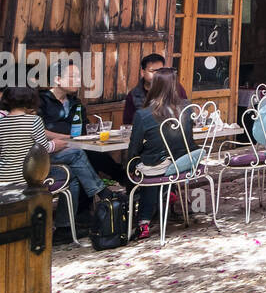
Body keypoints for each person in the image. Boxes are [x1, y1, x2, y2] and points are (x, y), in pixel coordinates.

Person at [125, 68, 197, 227]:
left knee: (144, 166)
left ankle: (143, 220)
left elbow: (134, 146)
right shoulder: (186, 107)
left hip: (160, 166)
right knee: (155, 163)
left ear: (154, 86)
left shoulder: (143, 114)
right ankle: (168, 193)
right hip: (185, 164)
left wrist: (129, 165)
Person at [40, 59, 128, 187]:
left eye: (78, 76)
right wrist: (69, 138)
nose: (78, 80)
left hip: (75, 145)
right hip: (52, 149)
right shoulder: (41, 100)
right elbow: (37, 130)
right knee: (91, 155)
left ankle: (121, 182)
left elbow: (85, 128)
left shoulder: (75, 103)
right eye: (72, 76)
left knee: (95, 154)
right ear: (57, 79)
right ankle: (122, 182)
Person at [0, 84, 51, 191]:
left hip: (3, 179)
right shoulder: (34, 120)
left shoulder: (1, 122)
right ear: (30, 100)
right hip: (25, 179)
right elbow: (43, 150)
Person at [122, 53, 168, 127]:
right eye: (152, 71)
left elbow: (184, 114)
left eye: (160, 71)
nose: (157, 74)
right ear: (143, 72)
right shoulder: (134, 95)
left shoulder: (172, 90)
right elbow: (128, 124)